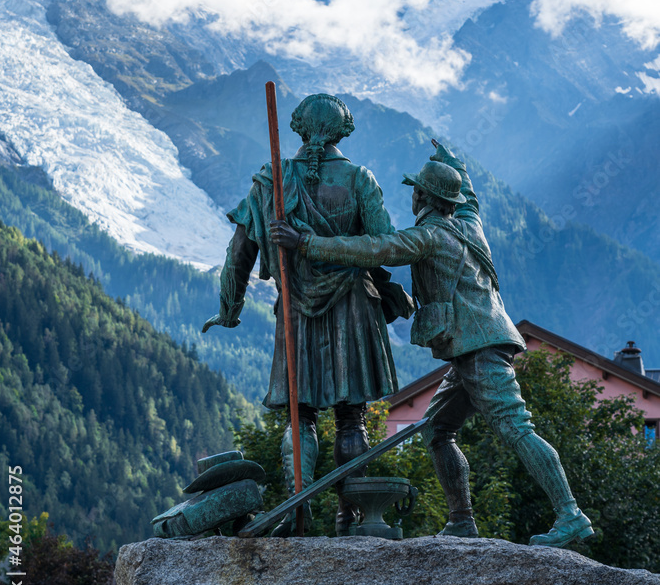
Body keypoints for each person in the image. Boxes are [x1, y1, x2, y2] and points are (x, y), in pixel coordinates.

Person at [271, 140, 594, 549]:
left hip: (478, 348)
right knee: (438, 429)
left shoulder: (426, 237)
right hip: (472, 350)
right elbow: (470, 196)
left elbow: (373, 248)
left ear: (420, 196)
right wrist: (453, 161)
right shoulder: (469, 222)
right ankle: (461, 520)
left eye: (415, 190)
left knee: (516, 428)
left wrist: (305, 243)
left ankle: (570, 514)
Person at [202, 93, 412, 535]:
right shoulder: (358, 179)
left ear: (298, 128)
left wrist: (230, 307)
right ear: (342, 131)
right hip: (354, 306)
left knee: (300, 415)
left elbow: (238, 254)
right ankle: (351, 516)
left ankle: (301, 511)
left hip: (297, 307)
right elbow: (386, 246)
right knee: (351, 416)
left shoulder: (271, 181)